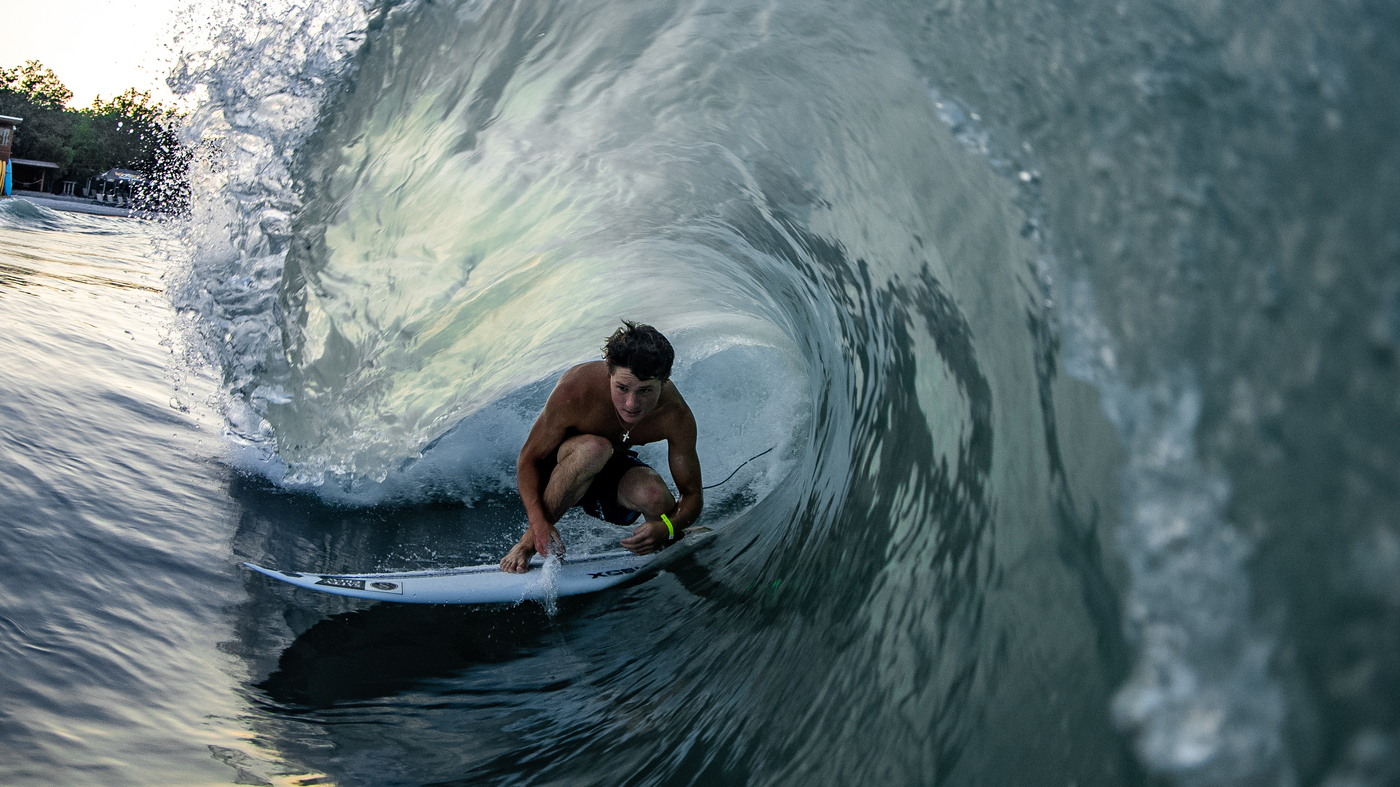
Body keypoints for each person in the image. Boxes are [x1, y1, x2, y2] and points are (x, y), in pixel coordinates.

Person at [499, 321, 703, 573]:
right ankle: (526, 544)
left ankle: (665, 544)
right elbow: (527, 461)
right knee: (595, 449)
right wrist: (538, 521)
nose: (631, 403)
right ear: (609, 372)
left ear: (665, 380)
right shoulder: (575, 390)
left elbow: (692, 495)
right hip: (561, 472)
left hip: (609, 475)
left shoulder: (675, 416)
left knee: (656, 497)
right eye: (622, 388)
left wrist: (668, 526)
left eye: (645, 391)